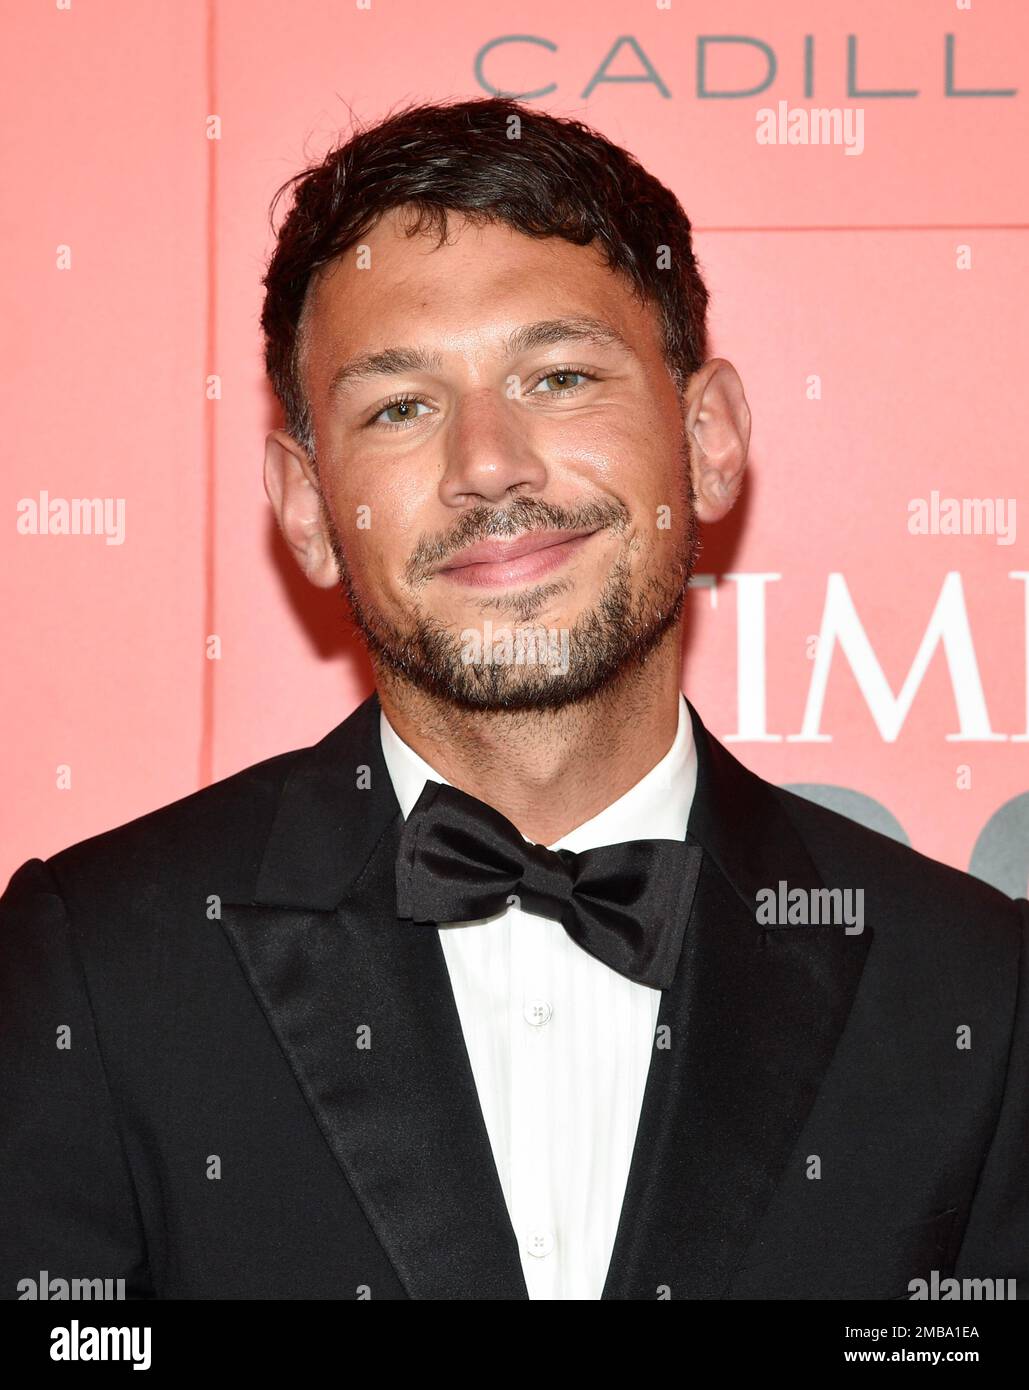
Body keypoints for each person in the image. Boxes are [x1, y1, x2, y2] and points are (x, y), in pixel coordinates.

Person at [2, 97, 1026, 1302]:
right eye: (400, 406)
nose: (487, 463)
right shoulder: (103, 966)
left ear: (707, 438)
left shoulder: (974, 989)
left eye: (558, 375)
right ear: (304, 505)